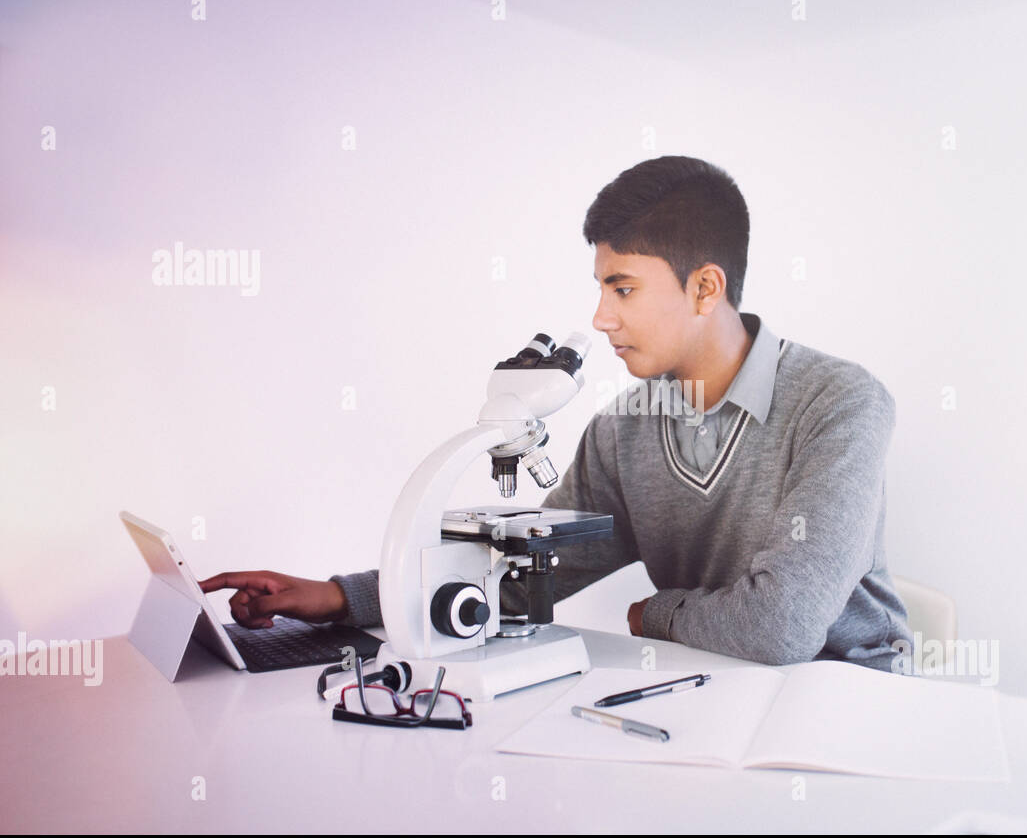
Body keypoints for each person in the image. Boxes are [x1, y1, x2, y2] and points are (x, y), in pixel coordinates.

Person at [200, 155, 913, 671]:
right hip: (715, 686)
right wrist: (336, 596)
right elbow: (525, 577)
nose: (601, 318)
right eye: (601, 288)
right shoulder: (623, 429)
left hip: (847, 698)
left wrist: (654, 613)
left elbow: (782, 627)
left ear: (705, 287)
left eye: (623, 288)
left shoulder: (841, 403)